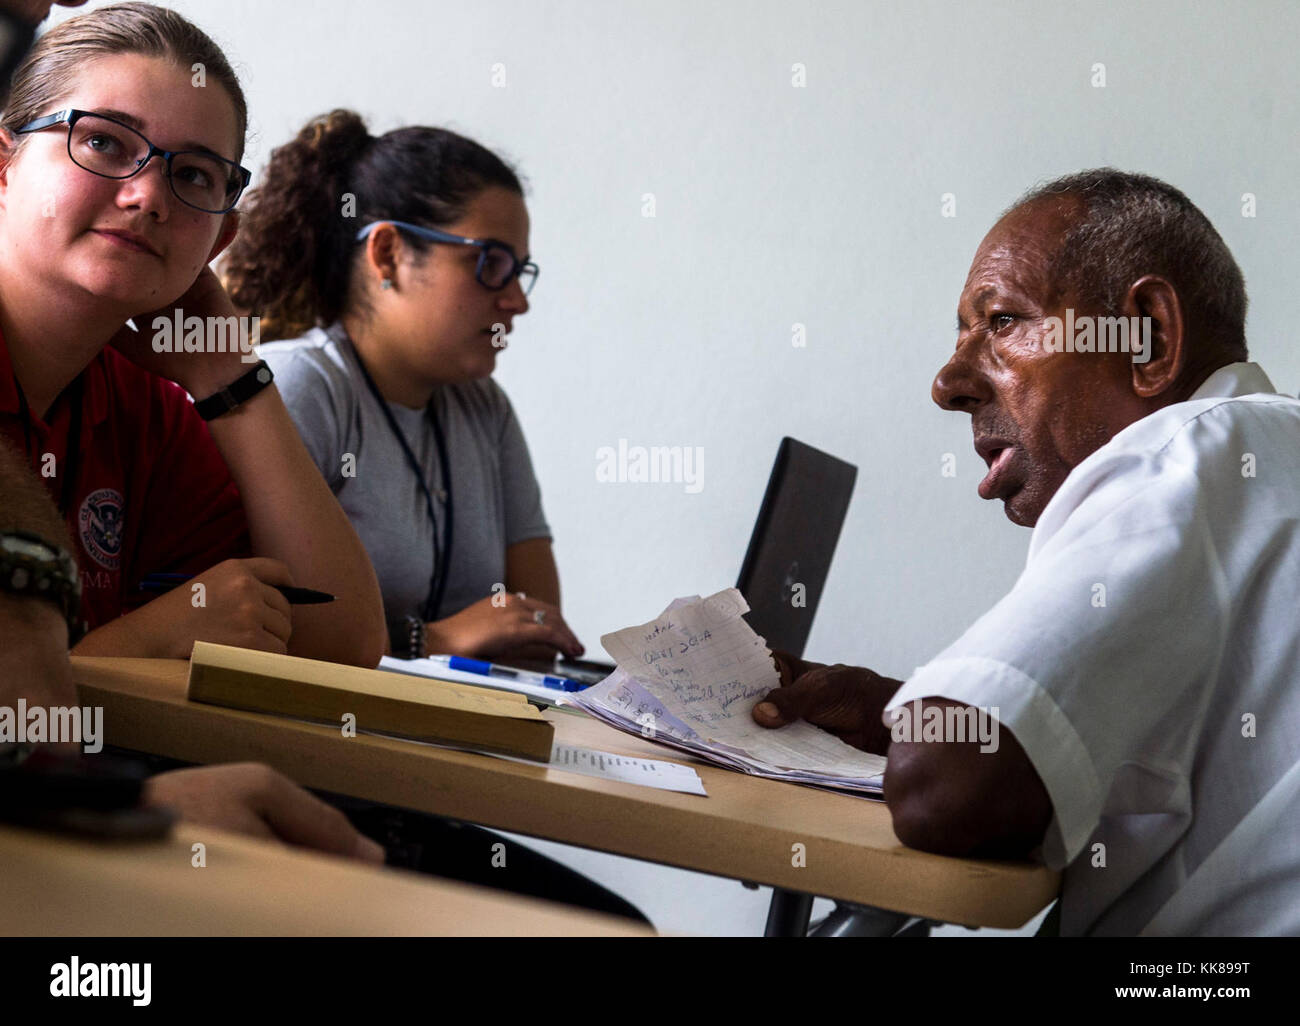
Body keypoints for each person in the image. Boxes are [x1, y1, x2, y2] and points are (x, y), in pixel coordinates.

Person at [753, 169, 1300, 936]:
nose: (948, 383)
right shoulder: (1270, 459)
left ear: (1147, 337)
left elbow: (950, 791)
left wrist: (932, 743)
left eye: (1002, 321)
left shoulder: (1189, 448)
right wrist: (888, 713)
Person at [0, 2, 386, 667]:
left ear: (220, 239)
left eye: (193, 175)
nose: (149, 196)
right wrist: (139, 644)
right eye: (103, 141)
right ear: (3, 167)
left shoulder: (148, 411)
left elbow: (342, 645)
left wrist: (232, 380)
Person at [223, 111, 583, 663]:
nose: (517, 300)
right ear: (388, 253)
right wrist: (428, 642)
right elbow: (244, 624)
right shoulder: (297, 387)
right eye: (490, 263)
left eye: (520, 271)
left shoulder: (487, 412)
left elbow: (534, 635)